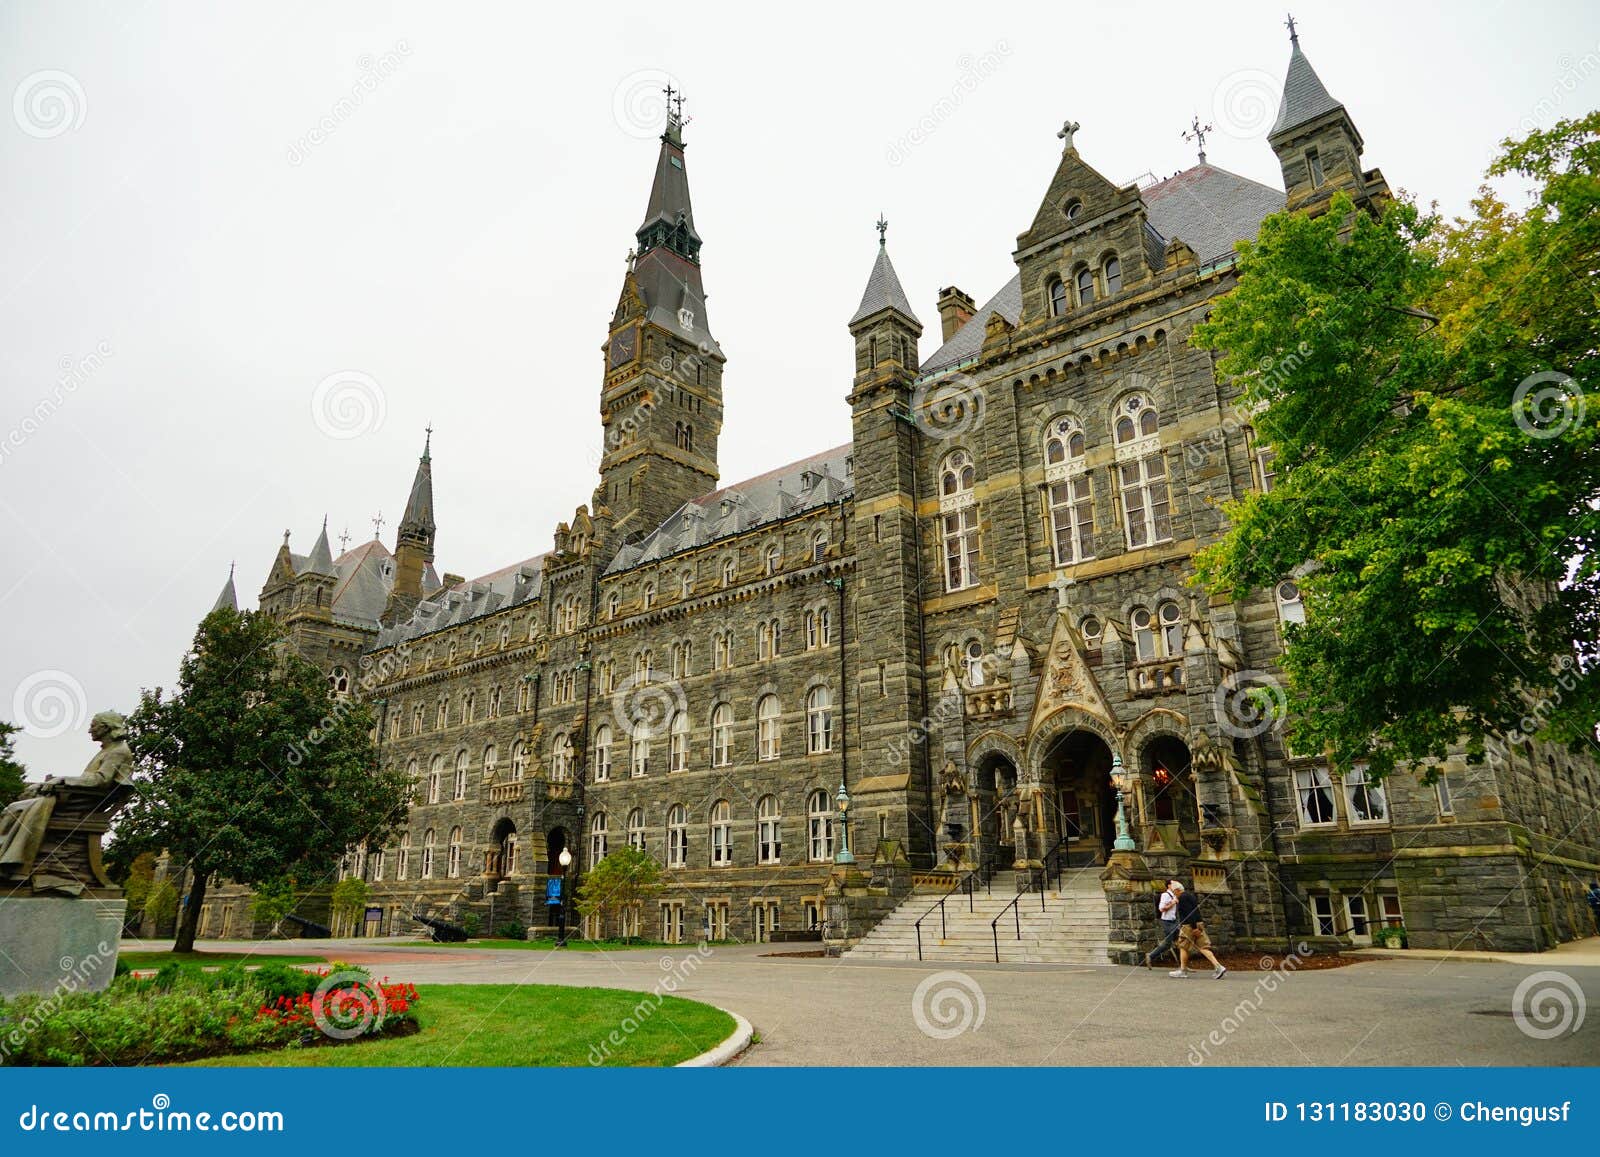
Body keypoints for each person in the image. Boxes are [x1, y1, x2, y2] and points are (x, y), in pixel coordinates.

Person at [1172, 884, 1227, 979]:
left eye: (1173, 892)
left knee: (1183, 947)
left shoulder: (1183, 897)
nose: (1173, 894)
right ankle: (1218, 967)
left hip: (1189, 926)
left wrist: (1194, 928)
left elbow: (1189, 913)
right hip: (1198, 923)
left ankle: (1183, 971)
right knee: (1203, 947)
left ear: (1177, 890)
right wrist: (1197, 926)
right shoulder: (1190, 896)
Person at [1144, 879, 1182, 968]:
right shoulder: (1165, 895)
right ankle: (1150, 955)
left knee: (1180, 942)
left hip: (1174, 921)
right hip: (1167, 922)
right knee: (1167, 944)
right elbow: (1161, 908)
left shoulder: (1174, 895)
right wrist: (1172, 903)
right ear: (1169, 886)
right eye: (1173, 884)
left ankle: (1182, 966)